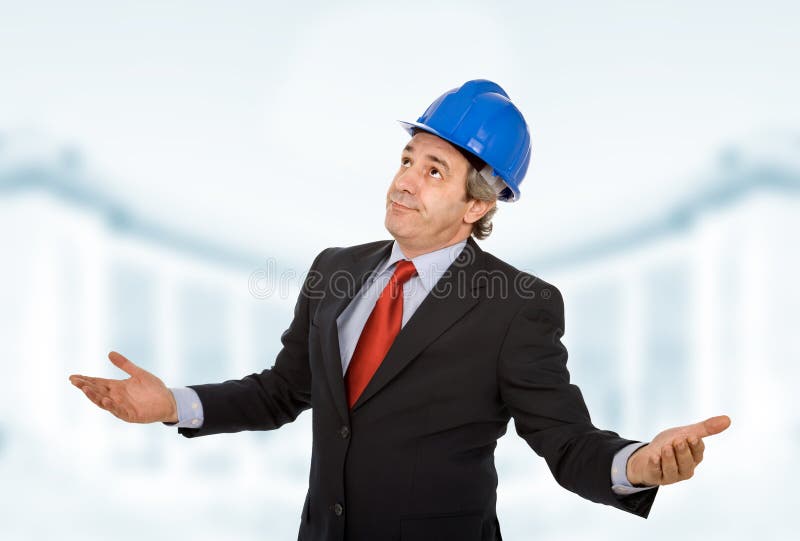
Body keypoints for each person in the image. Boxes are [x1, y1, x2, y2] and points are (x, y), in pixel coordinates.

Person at [69, 79, 731, 541]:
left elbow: (563, 443)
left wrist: (637, 464)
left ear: (477, 204)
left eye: (434, 170)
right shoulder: (335, 269)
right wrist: (171, 404)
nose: (404, 180)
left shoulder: (518, 309)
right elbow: (282, 390)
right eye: (407, 158)